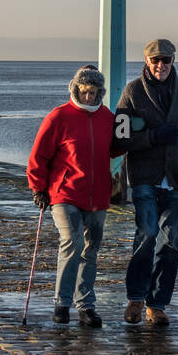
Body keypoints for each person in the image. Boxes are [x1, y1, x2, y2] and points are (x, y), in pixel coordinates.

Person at [114, 39, 178, 328]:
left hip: (177, 181)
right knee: (146, 235)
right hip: (144, 179)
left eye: (166, 61)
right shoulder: (132, 92)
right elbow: (120, 138)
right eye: (155, 60)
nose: (161, 66)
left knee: (169, 244)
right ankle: (135, 298)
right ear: (146, 61)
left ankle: (156, 305)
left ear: (173, 61)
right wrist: (153, 137)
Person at [27, 65, 128, 327]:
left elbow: (115, 149)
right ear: (76, 89)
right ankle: (62, 304)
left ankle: (86, 307)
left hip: (98, 197)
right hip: (65, 193)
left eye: (94, 92)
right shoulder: (58, 117)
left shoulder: (107, 117)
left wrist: (135, 138)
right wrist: (37, 187)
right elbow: (39, 155)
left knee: (91, 251)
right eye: (84, 91)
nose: (89, 97)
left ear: (100, 92)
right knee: (72, 243)